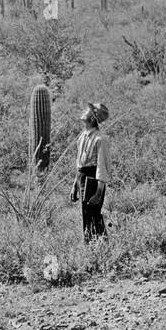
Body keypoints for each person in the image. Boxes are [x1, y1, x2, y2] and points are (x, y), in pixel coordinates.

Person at [70, 102, 111, 242]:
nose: (84, 111)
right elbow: (80, 163)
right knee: (86, 213)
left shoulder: (101, 139)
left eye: (88, 110)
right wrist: (75, 185)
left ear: (93, 117)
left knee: (92, 213)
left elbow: (101, 166)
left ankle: (100, 247)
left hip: (93, 178)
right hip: (82, 176)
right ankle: (92, 247)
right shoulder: (82, 136)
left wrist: (99, 192)